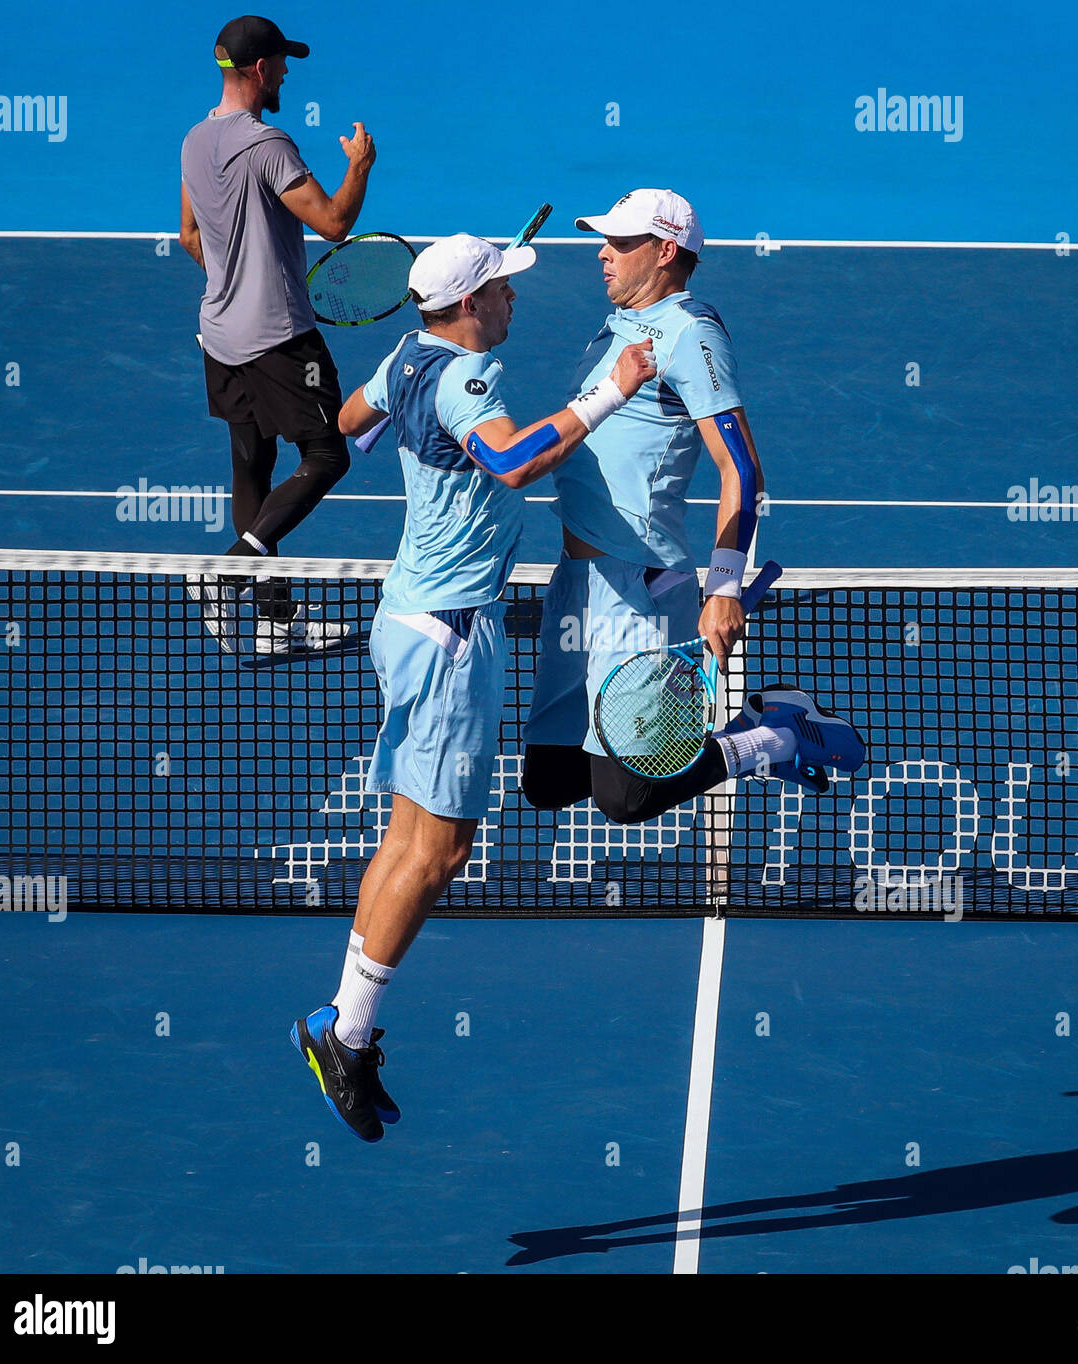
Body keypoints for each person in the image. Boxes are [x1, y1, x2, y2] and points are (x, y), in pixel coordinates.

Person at [290, 234, 658, 1141]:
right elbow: (513, 461)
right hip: (450, 639)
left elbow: (346, 420)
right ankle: (346, 1029)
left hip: (405, 621)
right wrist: (610, 389)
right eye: (501, 290)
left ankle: (343, 1027)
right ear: (469, 306)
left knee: (410, 838)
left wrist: (394, 419)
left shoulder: (408, 356)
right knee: (441, 852)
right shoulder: (465, 379)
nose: (512, 303)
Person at [521, 189, 865, 824]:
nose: (603, 253)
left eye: (621, 243)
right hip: (579, 583)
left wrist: (725, 587)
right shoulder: (620, 323)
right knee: (547, 780)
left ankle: (777, 735)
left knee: (625, 798)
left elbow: (740, 467)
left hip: (640, 586)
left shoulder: (690, 333)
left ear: (665, 251)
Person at [179, 15, 374, 653]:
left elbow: (190, 237)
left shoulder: (192, 141)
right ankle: (232, 572)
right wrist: (359, 166)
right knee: (328, 455)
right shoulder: (269, 145)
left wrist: (238, 276)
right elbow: (335, 223)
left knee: (253, 465)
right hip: (281, 338)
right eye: (283, 62)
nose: (287, 71)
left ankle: (273, 621)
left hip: (219, 333)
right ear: (260, 69)